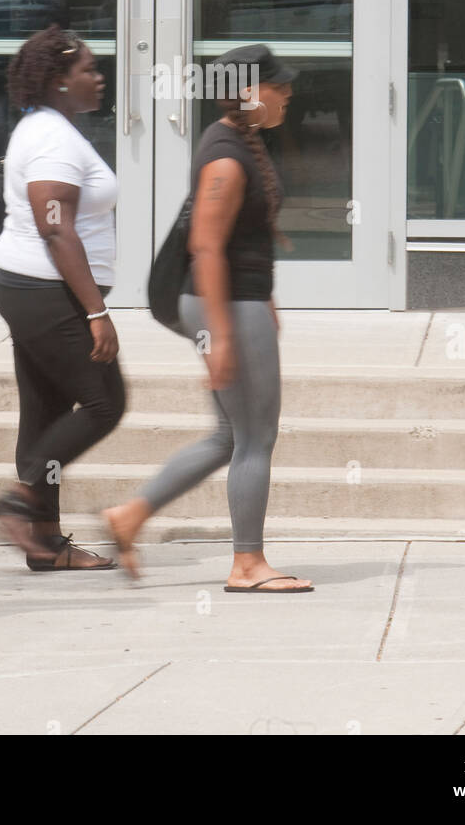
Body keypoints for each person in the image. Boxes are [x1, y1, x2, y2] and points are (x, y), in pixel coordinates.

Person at [103, 43, 314, 593]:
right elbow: (206, 246)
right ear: (249, 91)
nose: (288, 91)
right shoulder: (225, 154)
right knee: (256, 437)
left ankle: (131, 515)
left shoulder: (244, 140)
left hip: (240, 303)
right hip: (224, 307)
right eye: (278, 84)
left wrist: (263, 297)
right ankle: (247, 564)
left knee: (228, 436)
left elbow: (244, 236)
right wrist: (220, 336)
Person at [0, 25, 125, 571]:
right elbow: (55, 228)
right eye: (88, 69)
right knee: (104, 403)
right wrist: (97, 311)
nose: (98, 76)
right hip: (47, 294)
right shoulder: (52, 139)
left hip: (33, 290)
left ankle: (46, 545)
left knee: (45, 413)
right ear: (58, 82)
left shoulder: (49, 127)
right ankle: (20, 500)